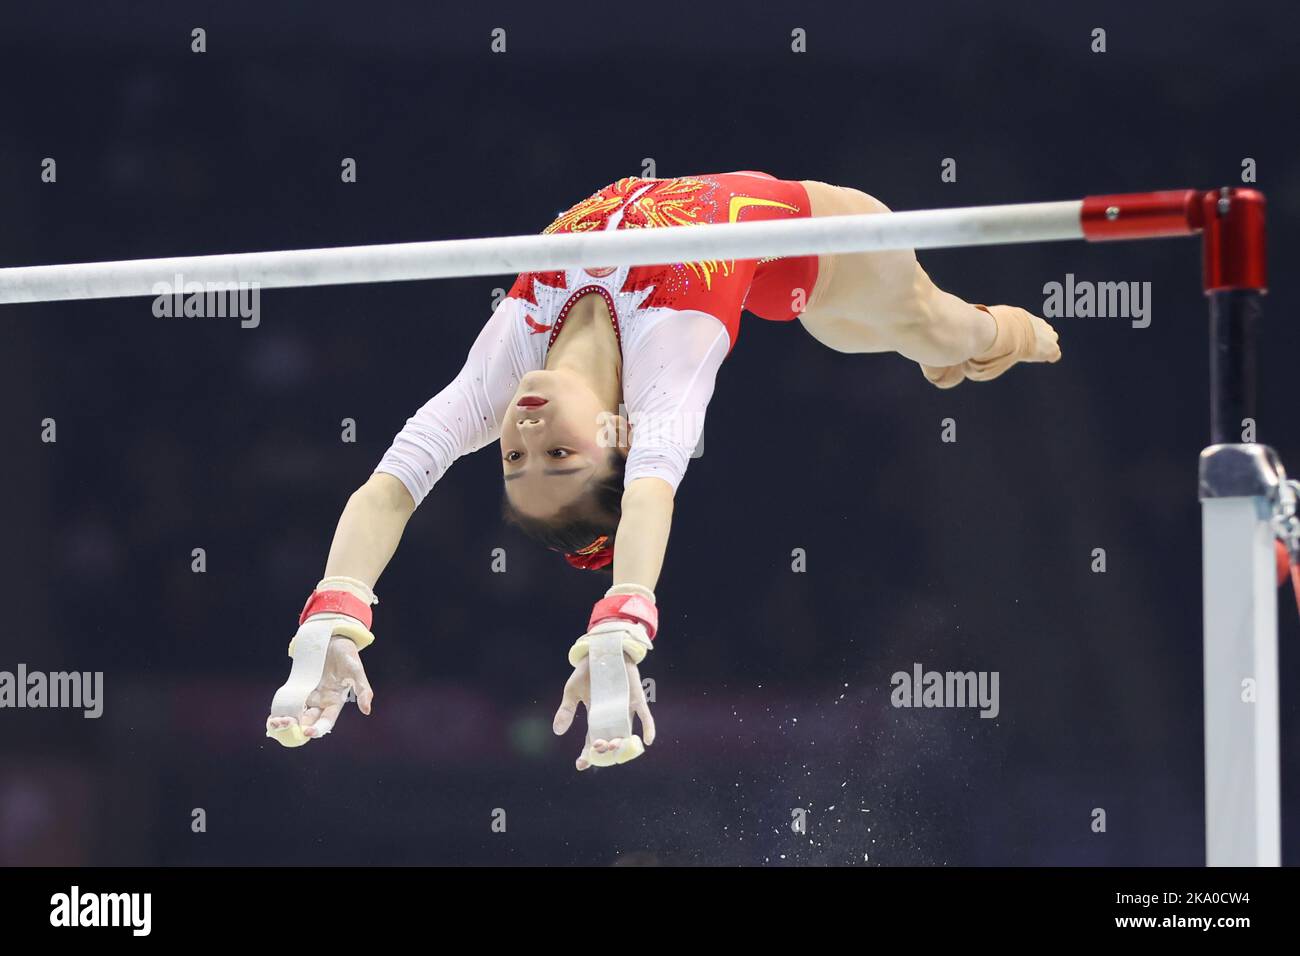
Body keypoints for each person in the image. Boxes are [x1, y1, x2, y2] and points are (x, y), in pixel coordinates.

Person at [265, 171, 1060, 768]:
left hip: (769, 263)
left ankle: (951, 355)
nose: (528, 431)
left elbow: (390, 487)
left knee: (886, 333)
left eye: (515, 458)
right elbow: (650, 493)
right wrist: (621, 623)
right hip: (820, 243)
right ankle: (996, 336)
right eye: (560, 457)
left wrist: (332, 613)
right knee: (930, 324)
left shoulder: (499, 373)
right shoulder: (665, 368)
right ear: (616, 435)